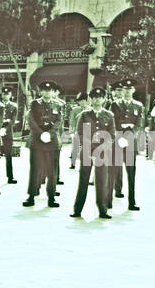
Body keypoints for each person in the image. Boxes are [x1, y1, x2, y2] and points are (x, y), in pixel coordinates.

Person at [71, 87, 114, 219]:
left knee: (102, 181)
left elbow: (111, 135)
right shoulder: (84, 115)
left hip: (102, 153)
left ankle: (103, 210)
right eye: (94, 97)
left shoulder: (109, 115)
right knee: (83, 180)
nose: (97, 99)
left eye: (100, 97)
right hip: (87, 152)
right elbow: (80, 133)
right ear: (91, 99)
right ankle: (77, 210)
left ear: (103, 99)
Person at [23, 80, 62, 209]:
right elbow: (31, 120)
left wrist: (49, 134)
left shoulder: (59, 105)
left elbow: (59, 122)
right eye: (44, 90)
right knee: (35, 169)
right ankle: (31, 196)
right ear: (40, 91)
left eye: (50, 90)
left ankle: (51, 197)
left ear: (53, 92)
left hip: (52, 142)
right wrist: (41, 133)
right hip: (37, 140)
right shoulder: (34, 104)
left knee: (52, 171)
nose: (47, 92)